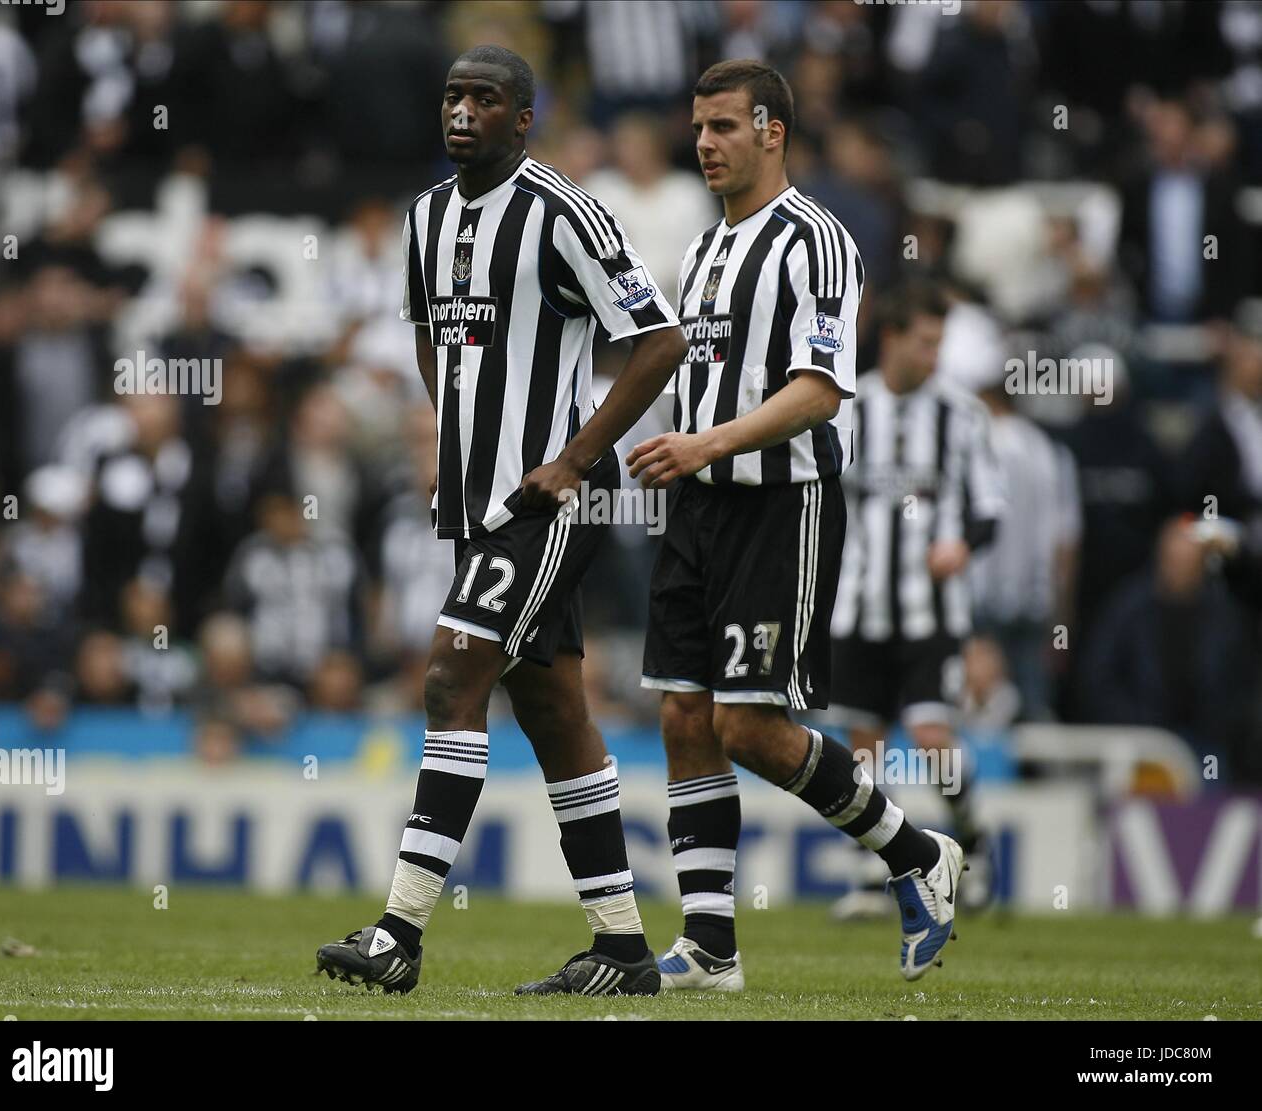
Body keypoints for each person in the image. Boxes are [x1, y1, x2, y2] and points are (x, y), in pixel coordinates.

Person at [314, 46, 686, 997]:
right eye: (452, 95)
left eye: (485, 98)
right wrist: (447, 444)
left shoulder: (564, 211)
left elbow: (660, 340)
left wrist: (572, 458)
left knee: (450, 678)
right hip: (473, 505)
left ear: (524, 119)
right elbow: (429, 335)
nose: (463, 111)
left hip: (545, 504)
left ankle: (399, 930)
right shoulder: (426, 217)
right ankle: (623, 948)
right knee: (556, 712)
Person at [627, 60, 965, 992]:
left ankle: (913, 851)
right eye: (698, 126)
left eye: (726, 126)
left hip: (782, 502)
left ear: (773, 131)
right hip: (700, 503)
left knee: (749, 724)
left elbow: (818, 390)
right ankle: (709, 945)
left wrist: (705, 445)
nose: (705, 142)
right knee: (683, 714)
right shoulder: (703, 250)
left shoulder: (819, 240)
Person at [824, 282, 1005, 915]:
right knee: (864, 746)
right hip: (857, 606)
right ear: (893, 338)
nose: (934, 355)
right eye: (926, 342)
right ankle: (880, 874)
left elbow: (988, 511)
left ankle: (974, 849)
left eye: (941, 343)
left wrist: (961, 547)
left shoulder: (961, 415)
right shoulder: (847, 407)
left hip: (932, 612)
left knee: (932, 736)